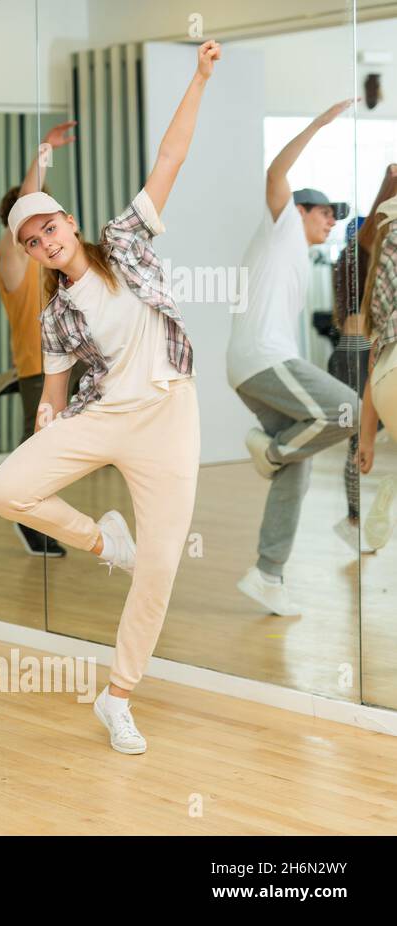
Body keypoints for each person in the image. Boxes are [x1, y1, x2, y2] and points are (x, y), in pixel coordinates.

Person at [0, 41, 220, 755]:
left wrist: (200, 77)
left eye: (48, 227)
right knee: (6, 489)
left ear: (70, 224)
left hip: (169, 416)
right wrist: (47, 419)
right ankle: (101, 540)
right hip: (106, 417)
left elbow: (170, 159)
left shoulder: (125, 243)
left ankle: (117, 697)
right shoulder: (53, 315)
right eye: (31, 241)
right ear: (28, 255)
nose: (44, 242)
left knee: (162, 564)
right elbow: (54, 391)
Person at [226, 98, 358, 616]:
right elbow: (276, 171)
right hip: (262, 359)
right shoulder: (280, 227)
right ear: (298, 210)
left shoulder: (300, 259)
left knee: (298, 472)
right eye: (324, 211)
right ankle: (274, 450)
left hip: (252, 364)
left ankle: (267, 574)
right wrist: (320, 124)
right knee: (346, 408)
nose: (330, 220)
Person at [0, 120, 76, 559]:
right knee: (37, 450)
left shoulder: (46, 261)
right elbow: (28, 201)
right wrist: (44, 149)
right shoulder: (12, 259)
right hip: (37, 369)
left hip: (64, 364)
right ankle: (28, 520)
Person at [329, 164, 397, 550]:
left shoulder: (350, 261)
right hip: (361, 353)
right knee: (360, 441)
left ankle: (355, 517)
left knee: (360, 441)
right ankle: (356, 518)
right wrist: (389, 181)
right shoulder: (365, 253)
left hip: (351, 350)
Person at [356, 185, 397, 551]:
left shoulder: (377, 294)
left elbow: (376, 368)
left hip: (386, 385)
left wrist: (367, 438)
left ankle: (392, 486)